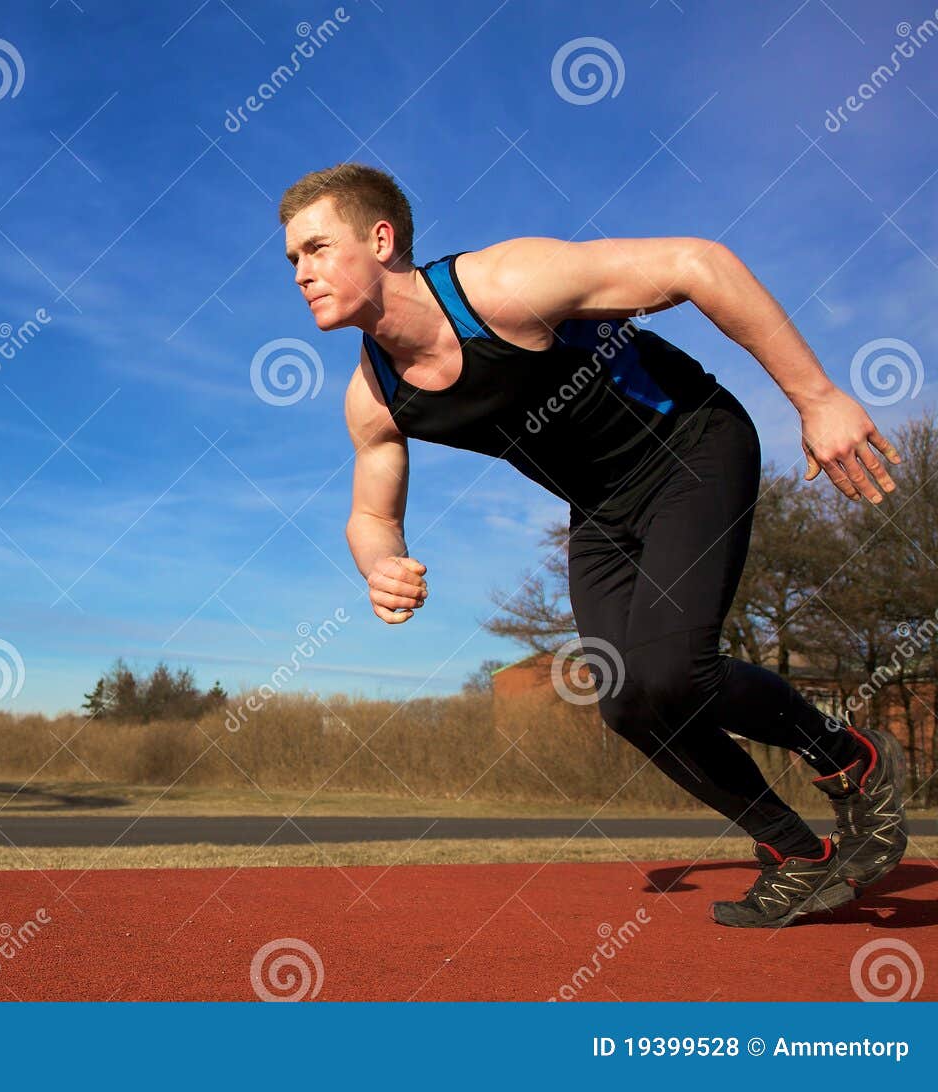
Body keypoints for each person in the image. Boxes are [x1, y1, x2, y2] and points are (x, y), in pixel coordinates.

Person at [279, 162, 909, 928]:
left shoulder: (506, 284)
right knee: (628, 702)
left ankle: (851, 759)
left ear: (382, 240)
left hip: (690, 447)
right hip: (602, 511)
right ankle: (793, 853)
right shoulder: (374, 393)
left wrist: (816, 398)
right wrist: (379, 566)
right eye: (292, 261)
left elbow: (698, 263)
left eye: (315, 248)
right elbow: (371, 515)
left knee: (674, 670)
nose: (302, 273)